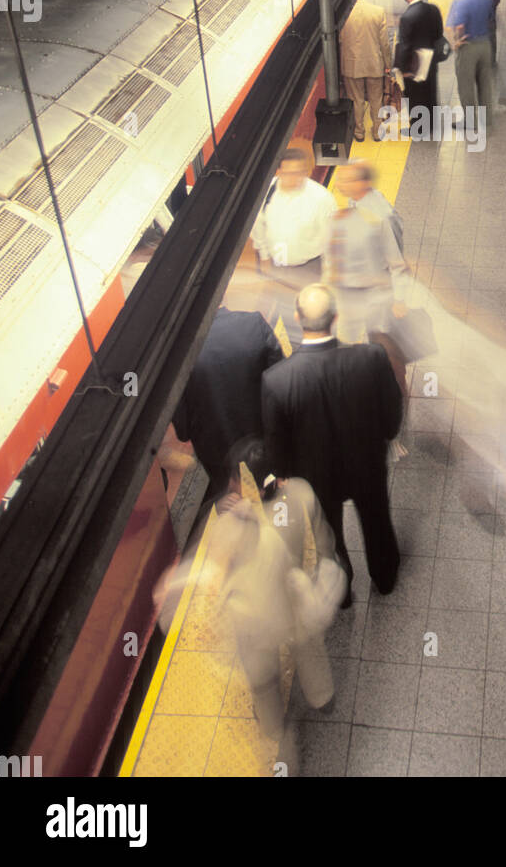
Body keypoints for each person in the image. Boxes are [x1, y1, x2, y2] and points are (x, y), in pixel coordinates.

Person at [262, 284, 403, 603]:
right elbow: (392, 410)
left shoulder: (277, 379)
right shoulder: (371, 357)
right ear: (336, 318)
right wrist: (384, 438)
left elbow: (276, 441)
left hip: (317, 475)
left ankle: (341, 589)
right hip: (367, 462)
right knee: (377, 519)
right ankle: (384, 578)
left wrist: (285, 474)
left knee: (329, 534)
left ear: (297, 318)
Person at [204, 439, 344, 745]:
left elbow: (218, 573)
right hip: (293, 600)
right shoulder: (300, 492)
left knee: (264, 678)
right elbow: (325, 545)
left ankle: (271, 723)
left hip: (257, 617)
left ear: (245, 485)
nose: (230, 483)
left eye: (235, 479)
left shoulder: (234, 521)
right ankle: (322, 697)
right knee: (308, 649)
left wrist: (226, 514)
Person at [172, 306, 283, 502]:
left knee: (229, 498)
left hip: (215, 448)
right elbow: (280, 384)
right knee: (269, 486)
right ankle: (272, 502)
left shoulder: (179, 351)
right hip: (262, 434)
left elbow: (183, 427)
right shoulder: (253, 323)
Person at [323, 192, 409, 345]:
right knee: (350, 340)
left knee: (376, 337)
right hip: (349, 296)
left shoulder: (380, 221)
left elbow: (396, 263)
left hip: (374, 293)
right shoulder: (336, 223)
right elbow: (329, 261)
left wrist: (399, 299)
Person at [251, 148, 337, 291]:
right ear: (278, 172)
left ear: (307, 172)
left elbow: (332, 238)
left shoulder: (321, 199)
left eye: (299, 172)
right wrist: (264, 257)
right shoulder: (266, 192)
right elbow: (258, 224)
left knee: (310, 306)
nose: (294, 178)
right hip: (278, 260)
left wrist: (329, 274)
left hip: (309, 266)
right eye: (288, 173)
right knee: (282, 297)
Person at [446, 0, 495, 132]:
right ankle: (486, 119)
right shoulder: (487, 0)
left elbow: (457, 26)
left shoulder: (461, 2)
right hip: (485, 45)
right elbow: (490, 20)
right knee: (484, 84)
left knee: (466, 86)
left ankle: (470, 121)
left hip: (468, 47)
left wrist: (455, 42)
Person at [339, 0, 391, 142]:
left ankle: (359, 131)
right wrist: (388, 64)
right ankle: (377, 131)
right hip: (374, 64)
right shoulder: (378, 11)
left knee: (357, 100)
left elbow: (340, 40)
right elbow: (384, 43)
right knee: (376, 99)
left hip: (352, 65)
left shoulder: (343, 15)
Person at [393, 0, 444, 127]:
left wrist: (402, 67)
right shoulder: (433, 9)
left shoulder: (407, 16)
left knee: (415, 95)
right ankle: (432, 123)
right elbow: (438, 33)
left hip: (414, 62)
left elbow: (405, 44)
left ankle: (418, 128)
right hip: (430, 57)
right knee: (430, 90)